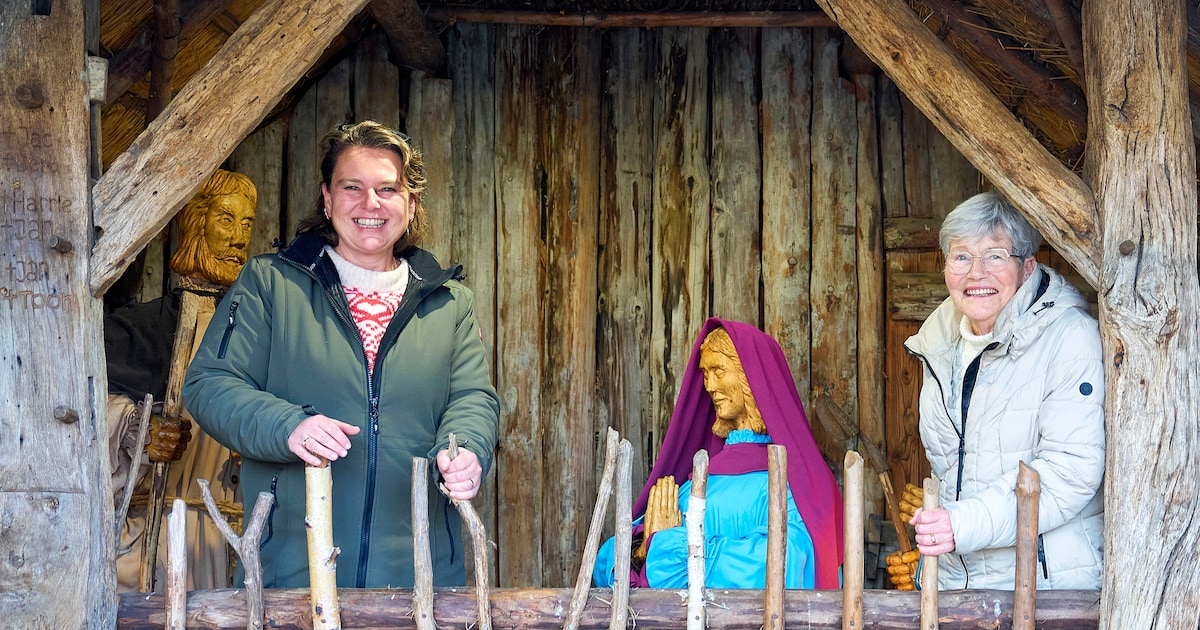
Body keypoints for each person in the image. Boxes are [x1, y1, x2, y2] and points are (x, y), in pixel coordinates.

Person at [183, 120, 500, 589]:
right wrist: (288, 425)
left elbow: (473, 399)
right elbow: (209, 384)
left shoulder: (450, 302)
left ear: (410, 205)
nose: (370, 204)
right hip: (292, 576)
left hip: (420, 579)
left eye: (387, 189)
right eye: (352, 187)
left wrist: (467, 450)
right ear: (328, 199)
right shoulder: (271, 284)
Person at [898, 191, 1104, 590]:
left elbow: (1071, 472)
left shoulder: (1069, 338)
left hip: (1043, 586)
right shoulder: (940, 345)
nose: (976, 273)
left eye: (995, 255)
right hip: (959, 586)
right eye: (961, 256)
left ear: (1027, 267)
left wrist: (962, 524)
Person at [594, 318, 844, 589]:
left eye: (718, 370)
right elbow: (607, 562)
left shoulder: (798, 489)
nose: (710, 385)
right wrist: (645, 548)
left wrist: (671, 546)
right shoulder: (688, 488)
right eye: (705, 373)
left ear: (751, 376)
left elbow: (783, 561)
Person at [106, 168, 257, 591]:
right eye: (226, 220)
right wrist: (136, 435)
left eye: (247, 224)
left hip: (226, 542)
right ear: (194, 223)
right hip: (147, 538)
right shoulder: (137, 331)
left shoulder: (256, 335)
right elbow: (66, 421)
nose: (239, 239)